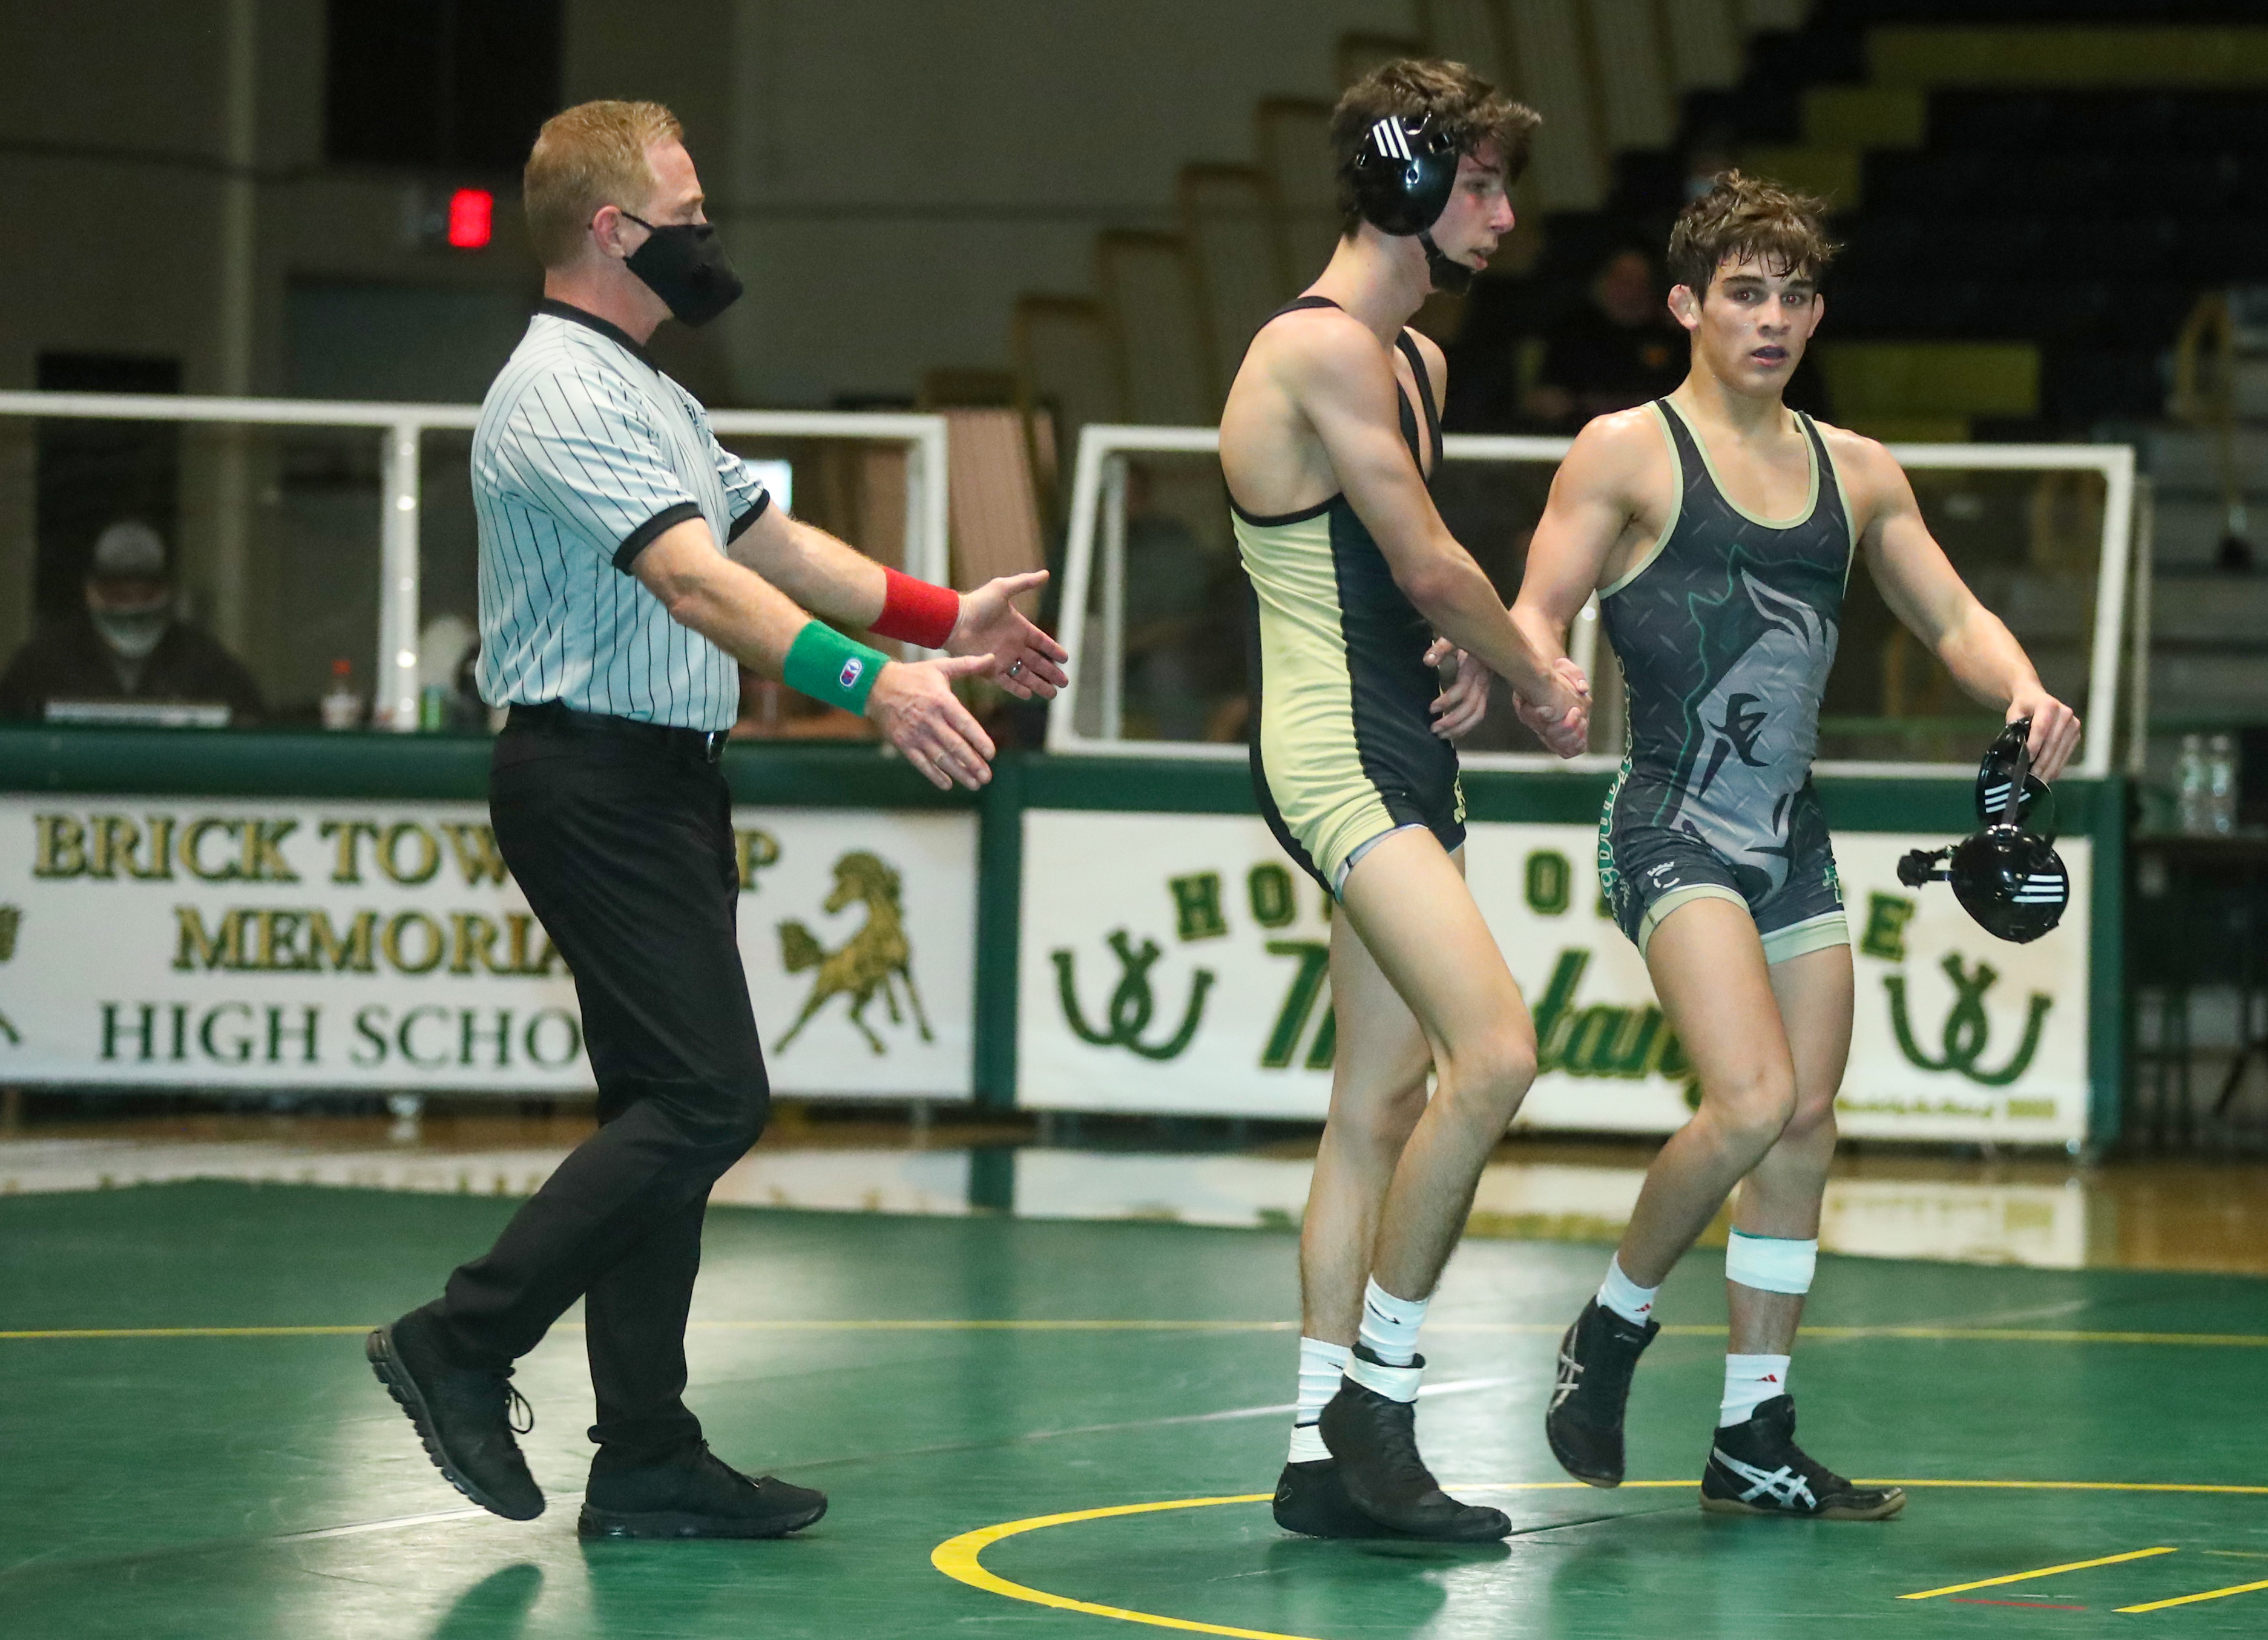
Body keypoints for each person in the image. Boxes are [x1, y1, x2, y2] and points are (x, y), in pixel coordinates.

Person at [366, 99, 1068, 1542]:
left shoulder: (652, 393)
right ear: (612, 230)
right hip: (592, 779)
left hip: (660, 777)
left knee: (661, 1112)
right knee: (706, 1101)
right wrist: (871, 683)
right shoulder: (559, 392)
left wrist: (946, 615)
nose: (708, 236)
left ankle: (644, 1453)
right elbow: (694, 583)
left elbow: (771, 542)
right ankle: (461, 1338)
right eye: (686, 215)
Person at [1514, 172, 2081, 1519]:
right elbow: (1536, 605)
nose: (1770, 318)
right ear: (1684, 307)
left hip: (1788, 836)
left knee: (1806, 1122)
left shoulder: (1858, 469)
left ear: (1817, 314)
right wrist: (1541, 668)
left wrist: (2019, 686)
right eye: (1743, 294)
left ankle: (1751, 1434)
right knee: (1753, 1096)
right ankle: (1609, 1325)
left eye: (1793, 295)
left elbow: (1950, 617)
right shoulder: (1624, 451)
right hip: (1669, 820)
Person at [1220, 59, 1589, 1543]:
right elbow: (1435, 562)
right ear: (1408, 183)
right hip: (1333, 756)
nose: (1502, 219)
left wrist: (1457, 652)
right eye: (1481, 187)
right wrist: (1538, 672)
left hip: (1400, 746)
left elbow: (1403, 578)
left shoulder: (1415, 363)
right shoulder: (1314, 349)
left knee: (1373, 1105)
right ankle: (1377, 1394)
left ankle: (1318, 1454)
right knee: (1493, 1054)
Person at [0, 519, 264, 724]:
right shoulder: (42, 665)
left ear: (167, 592)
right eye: (117, 593)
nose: (131, 607)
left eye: (143, 593)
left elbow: (250, 727)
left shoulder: (205, 664)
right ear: (90, 591)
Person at [1522, 247, 1687, 430]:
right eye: (1623, 280)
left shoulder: (1673, 337)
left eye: (1639, 281)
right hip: (1578, 434)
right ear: (1604, 280)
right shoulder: (1573, 332)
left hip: (1655, 435)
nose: (1631, 289)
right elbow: (1543, 398)